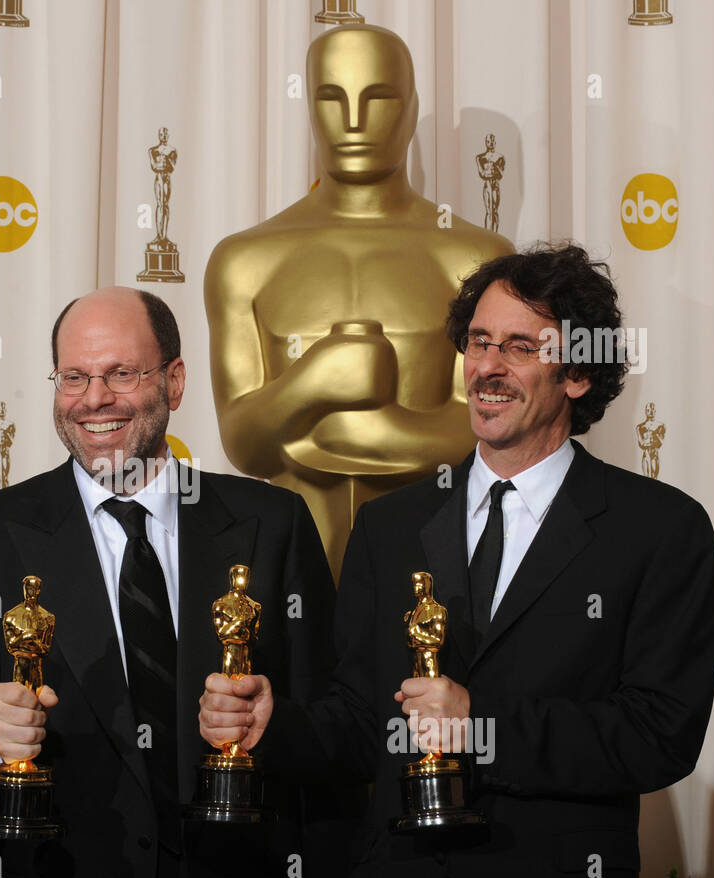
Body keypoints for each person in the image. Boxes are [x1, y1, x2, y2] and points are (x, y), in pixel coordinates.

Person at [201, 244, 714, 878]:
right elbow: (360, 724)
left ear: (577, 373)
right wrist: (273, 722)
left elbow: (658, 735)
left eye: (519, 346)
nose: (488, 368)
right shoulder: (390, 526)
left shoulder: (659, 529)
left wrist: (481, 726)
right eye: (479, 342)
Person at [0, 286, 336, 878]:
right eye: (75, 377)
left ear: (174, 378)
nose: (95, 399)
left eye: (121, 373)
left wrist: (273, 722)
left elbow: (337, 724)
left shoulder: (272, 524)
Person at [205, 24, 511, 576]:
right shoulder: (244, 259)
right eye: (331, 99)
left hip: (437, 559)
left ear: (412, 109)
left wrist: (363, 431)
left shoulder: (474, 257)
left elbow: (492, 426)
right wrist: (314, 382)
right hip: (290, 563)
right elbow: (244, 444)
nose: (352, 122)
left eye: (379, 98)